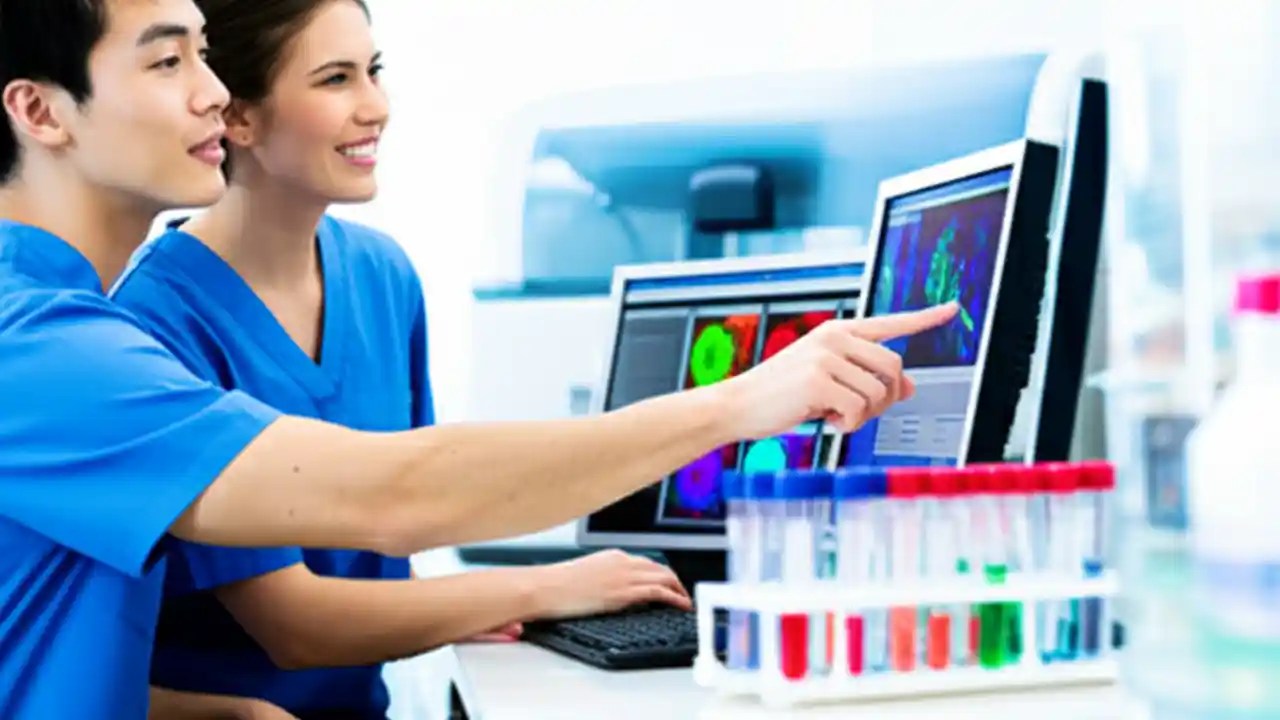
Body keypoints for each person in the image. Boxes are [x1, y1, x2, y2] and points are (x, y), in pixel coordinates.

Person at [0, 0, 955, 717]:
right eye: (169, 62)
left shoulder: (79, 320)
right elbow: (390, 497)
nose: (213, 92)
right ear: (41, 113)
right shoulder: (43, 346)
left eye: (204, 53)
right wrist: (744, 400)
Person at [108, 1, 706, 716]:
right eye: (335, 80)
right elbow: (293, 625)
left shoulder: (381, 275)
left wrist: (469, 602)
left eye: (374, 71)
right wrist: (545, 587)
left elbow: (420, 508)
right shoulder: (157, 318)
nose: (377, 107)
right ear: (237, 118)